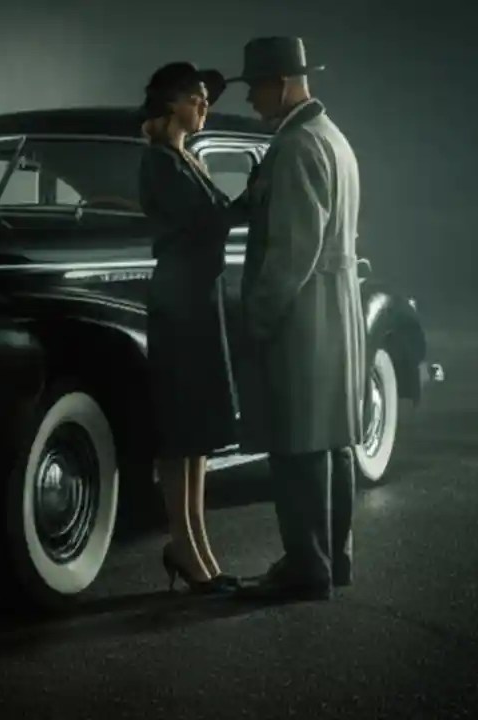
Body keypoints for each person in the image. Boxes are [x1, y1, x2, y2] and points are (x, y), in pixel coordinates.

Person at [224, 37, 366, 602]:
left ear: (281, 84)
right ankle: (335, 558)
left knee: (297, 442)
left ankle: (307, 568)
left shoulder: (296, 147)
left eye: (255, 87)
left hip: (304, 316)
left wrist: (256, 319)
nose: (251, 100)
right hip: (336, 309)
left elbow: (290, 253)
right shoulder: (333, 138)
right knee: (333, 440)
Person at [136, 61, 247, 593]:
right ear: (171, 103)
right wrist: (256, 194)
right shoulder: (160, 163)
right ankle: (184, 545)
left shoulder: (187, 159)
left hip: (199, 300)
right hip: (179, 301)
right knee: (181, 430)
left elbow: (214, 217)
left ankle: (198, 547)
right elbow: (207, 221)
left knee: (197, 431)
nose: (206, 105)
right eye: (196, 97)